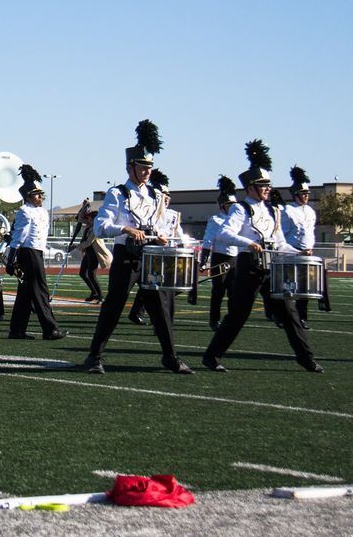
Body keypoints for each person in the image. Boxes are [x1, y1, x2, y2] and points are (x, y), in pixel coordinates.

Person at [82, 120, 194, 375]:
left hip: (151, 257)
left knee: (160, 308)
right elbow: (101, 227)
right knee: (114, 305)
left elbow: (160, 225)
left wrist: (162, 236)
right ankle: (94, 357)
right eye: (142, 166)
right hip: (126, 256)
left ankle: (170, 357)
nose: (146, 171)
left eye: (149, 167)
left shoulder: (155, 195)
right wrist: (126, 229)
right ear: (129, 167)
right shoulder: (118, 194)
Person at [202, 140, 322, 373]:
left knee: (289, 312)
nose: (267, 188)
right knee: (238, 314)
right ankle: (211, 355)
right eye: (262, 185)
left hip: (273, 267)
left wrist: (298, 253)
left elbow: (279, 242)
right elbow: (225, 234)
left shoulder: (273, 210)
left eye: (268, 184)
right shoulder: (240, 209)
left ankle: (306, 358)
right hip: (250, 265)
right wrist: (250, 243)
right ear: (250, 188)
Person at [4, 164, 69, 341]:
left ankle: (16, 330)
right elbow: (19, 235)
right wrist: (11, 257)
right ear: (28, 196)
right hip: (28, 253)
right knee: (40, 290)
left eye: (41, 194)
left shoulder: (41, 211)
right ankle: (50, 329)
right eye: (37, 194)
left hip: (37, 252)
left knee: (25, 293)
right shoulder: (25, 211)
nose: (41, 197)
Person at [127, 170, 189, 326]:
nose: (165, 199)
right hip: (151, 253)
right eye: (163, 196)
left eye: (167, 197)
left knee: (167, 288)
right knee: (149, 288)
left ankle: (152, 318)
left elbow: (178, 233)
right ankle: (142, 314)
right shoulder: (151, 211)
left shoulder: (174, 215)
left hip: (168, 254)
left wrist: (184, 245)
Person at [199, 176, 239, 331]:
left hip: (235, 258)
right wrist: (204, 260)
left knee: (234, 292)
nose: (233, 208)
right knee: (218, 292)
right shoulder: (215, 220)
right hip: (220, 258)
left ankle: (231, 320)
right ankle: (214, 320)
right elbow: (208, 240)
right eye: (230, 205)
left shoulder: (237, 221)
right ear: (223, 205)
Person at [281, 166, 316, 329]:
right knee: (289, 287)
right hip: (292, 252)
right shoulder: (288, 211)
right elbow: (282, 234)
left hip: (307, 254)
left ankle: (302, 317)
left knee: (305, 288)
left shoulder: (310, 211)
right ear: (295, 195)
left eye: (307, 194)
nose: (306, 197)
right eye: (303, 194)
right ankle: (285, 315)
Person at [75, 203, 109, 304]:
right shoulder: (90, 225)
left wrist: (76, 247)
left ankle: (101, 296)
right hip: (88, 253)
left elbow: (89, 242)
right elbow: (80, 219)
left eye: (89, 218)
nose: (88, 220)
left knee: (91, 275)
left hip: (94, 253)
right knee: (82, 273)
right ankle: (94, 293)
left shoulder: (96, 228)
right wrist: (83, 207)